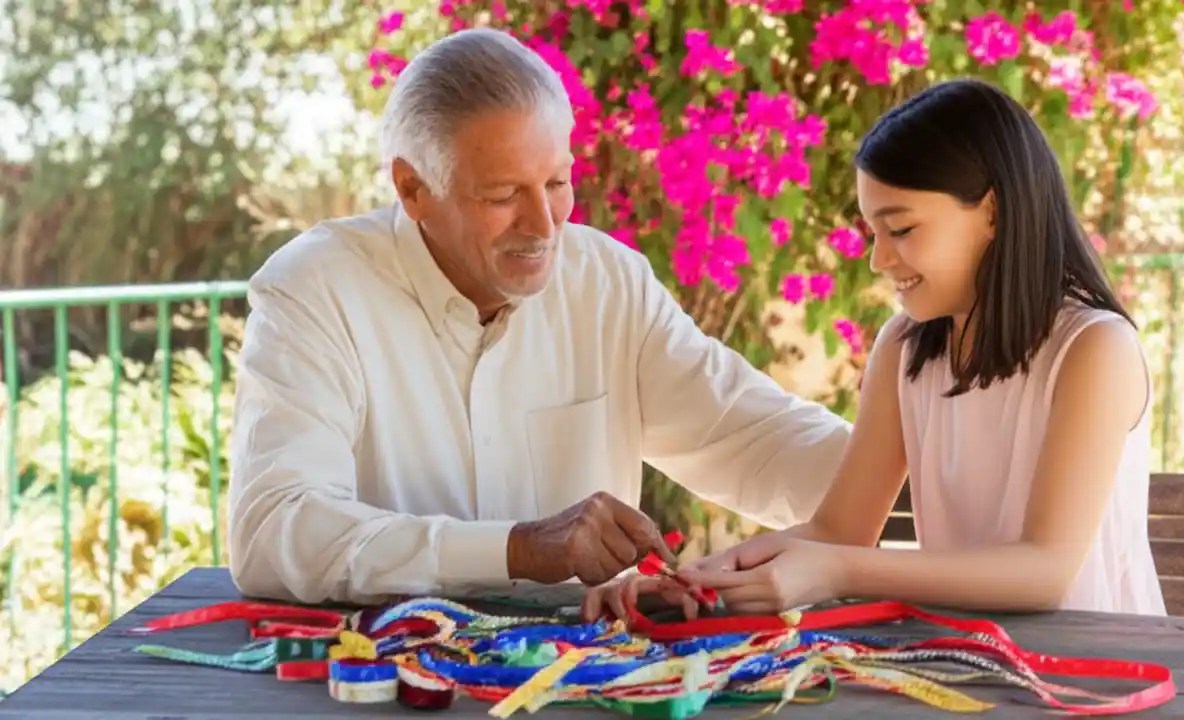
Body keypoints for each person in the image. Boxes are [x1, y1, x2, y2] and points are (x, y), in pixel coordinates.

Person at [225, 28, 852, 605]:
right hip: (375, 684)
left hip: (594, 683)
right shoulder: (315, 289)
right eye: (502, 196)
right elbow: (275, 531)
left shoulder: (608, 282)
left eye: (556, 183)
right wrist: (519, 549)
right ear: (413, 190)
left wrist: (923, 478)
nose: (544, 225)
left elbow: (748, 436)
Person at [585, 78, 1167, 621]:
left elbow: (1046, 572)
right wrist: (696, 582)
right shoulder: (907, 348)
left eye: (902, 229)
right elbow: (838, 530)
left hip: (1091, 672)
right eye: (873, 232)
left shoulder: (1094, 349)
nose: (879, 259)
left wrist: (837, 571)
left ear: (991, 212)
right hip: (961, 661)